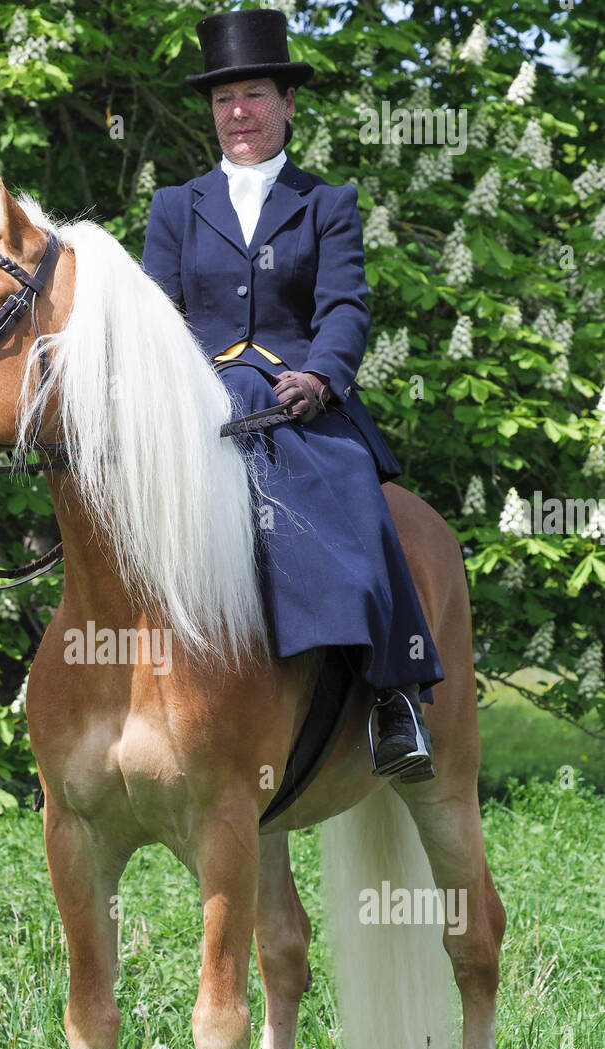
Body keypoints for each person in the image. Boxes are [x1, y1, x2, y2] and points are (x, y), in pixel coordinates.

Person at [141, 8, 441, 780]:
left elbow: (343, 307)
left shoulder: (327, 202)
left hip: (297, 396)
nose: (237, 113)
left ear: (287, 104)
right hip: (202, 401)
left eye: (253, 96)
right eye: (222, 100)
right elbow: (160, 310)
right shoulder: (177, 206)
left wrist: (322, 375)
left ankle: (393, 695)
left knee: (360, 501)